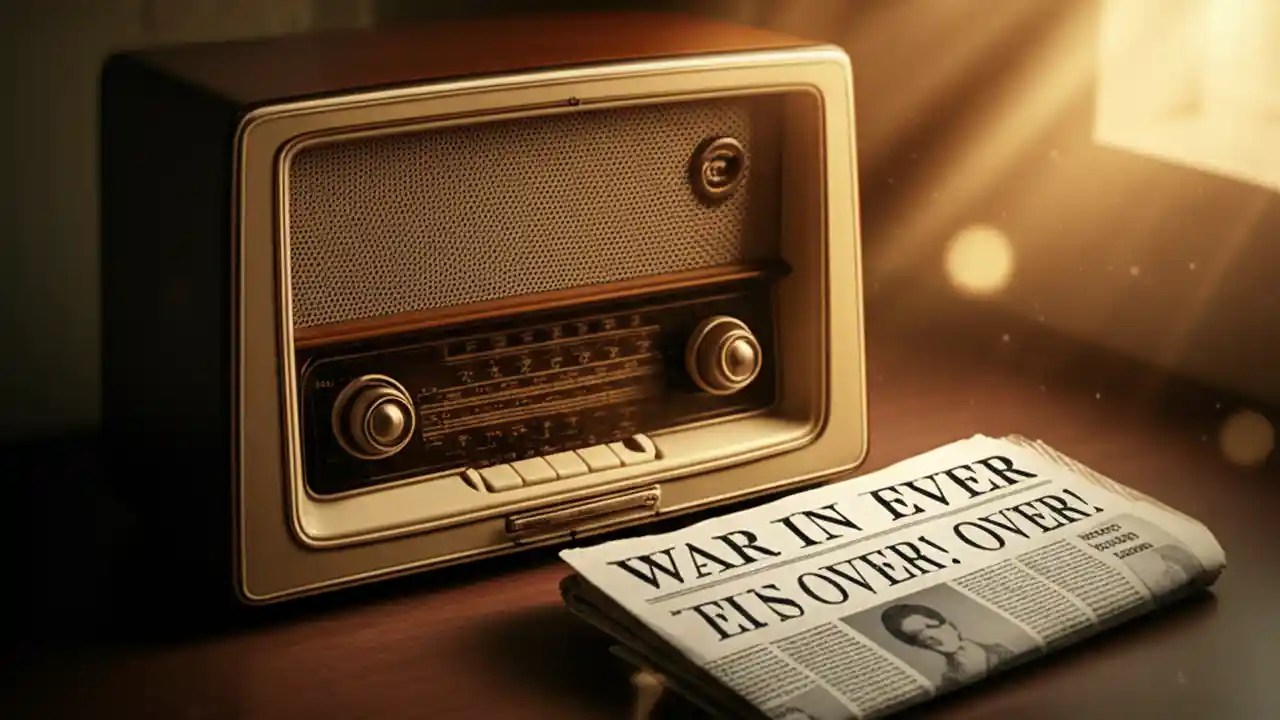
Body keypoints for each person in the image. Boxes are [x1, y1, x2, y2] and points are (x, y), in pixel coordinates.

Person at [880, 603, 1015, 690]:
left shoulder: (999, 649)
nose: (928, 636)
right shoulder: (947, 685)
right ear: (920, 646)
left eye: (930, 626)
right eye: (917, 636)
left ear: (950, 624)